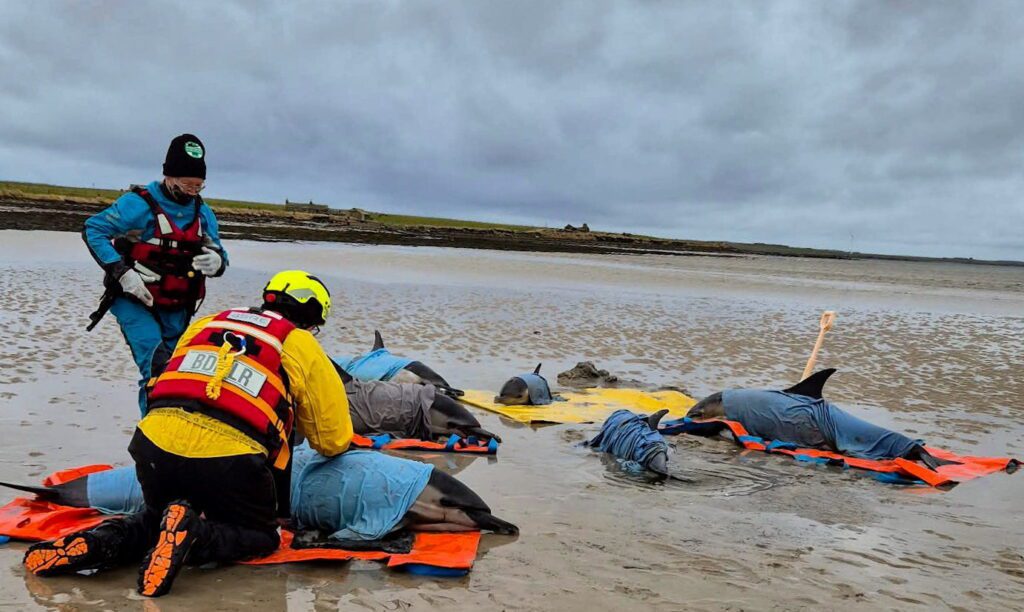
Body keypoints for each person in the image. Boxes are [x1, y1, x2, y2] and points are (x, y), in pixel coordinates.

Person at [24, 271, 354, 598]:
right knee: (260, 536)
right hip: (231, 460)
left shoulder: (208, 322)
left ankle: (98, 543)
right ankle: (194, 532)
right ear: (311, 315)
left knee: (153, 520)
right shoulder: (299, 343)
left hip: (153, 446)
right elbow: (333, 439)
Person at [82, 134, 228, 414]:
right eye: (187, 184)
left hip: (178, 307)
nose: (192, 192)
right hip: (134, 300)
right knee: (157, 366)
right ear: (169, 176)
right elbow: (93, 230)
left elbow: (220, 252)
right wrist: (122, 273)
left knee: (178, 372)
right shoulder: (136, 205)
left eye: (199, 186)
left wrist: (218, 262)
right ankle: (150, 438)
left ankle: (172, 431)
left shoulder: (204, 213)